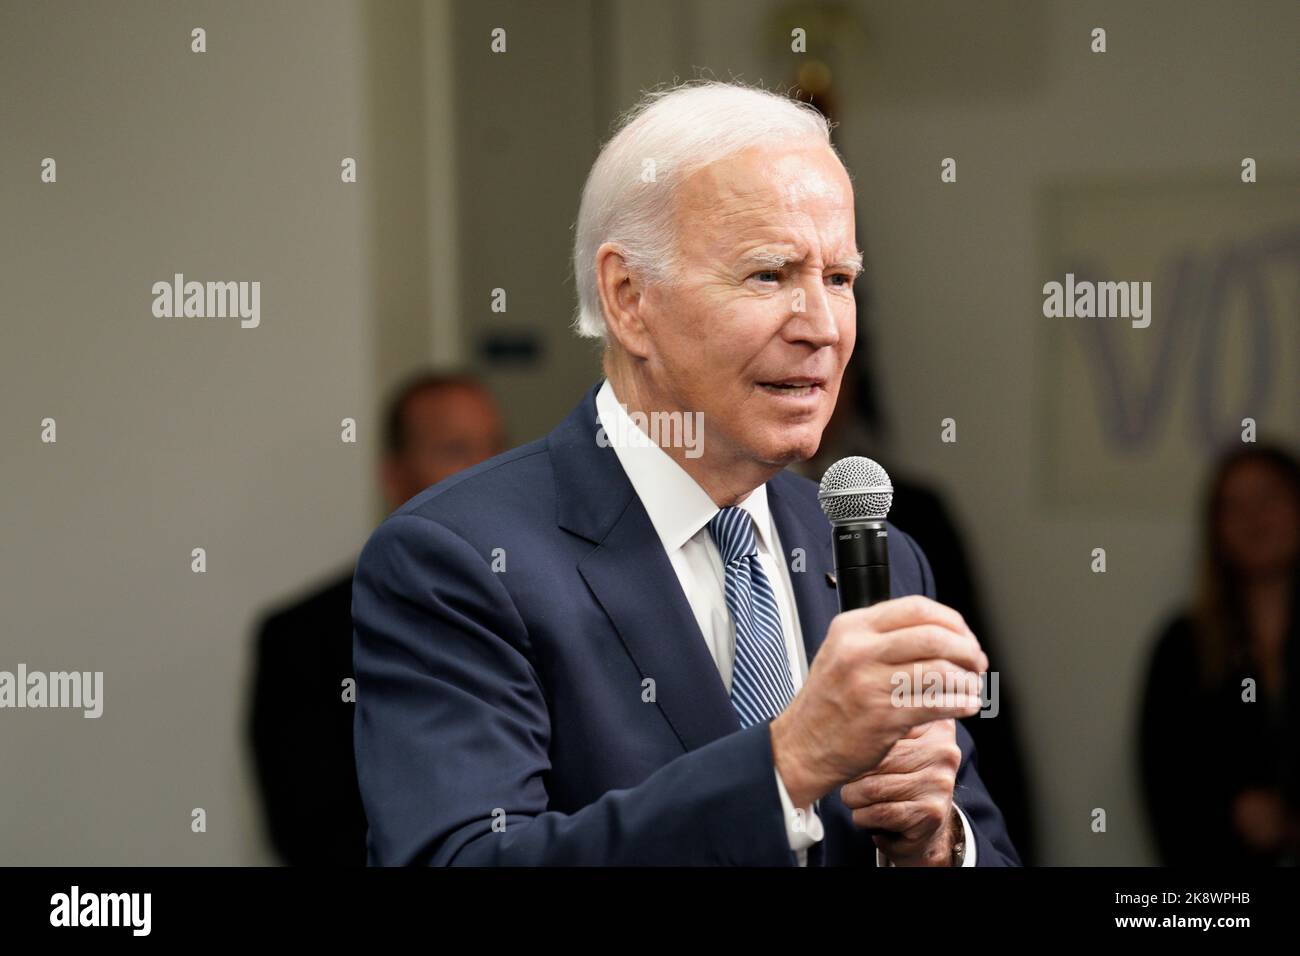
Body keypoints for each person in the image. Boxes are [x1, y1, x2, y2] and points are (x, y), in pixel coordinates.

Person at [352, 81, 1021, 866]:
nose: (822, 328)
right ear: (629, 299)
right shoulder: (457, 560)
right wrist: (785, 765)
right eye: (769, 274)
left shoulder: (877, 551)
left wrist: (934, 842)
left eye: (839, 279)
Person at [249, 372, 504, 865]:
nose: (488, 469)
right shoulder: (303, 639)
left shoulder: (557, 609)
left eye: (497, 447)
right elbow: (311, 834)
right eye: (455, 449)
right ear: (395, 478)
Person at [1140, 444, 1300, 865]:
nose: (1254, 519)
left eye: (1269, 499)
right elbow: (1164, 779)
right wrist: (1230, 816)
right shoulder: (1185, 646)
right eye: (1235, 506)